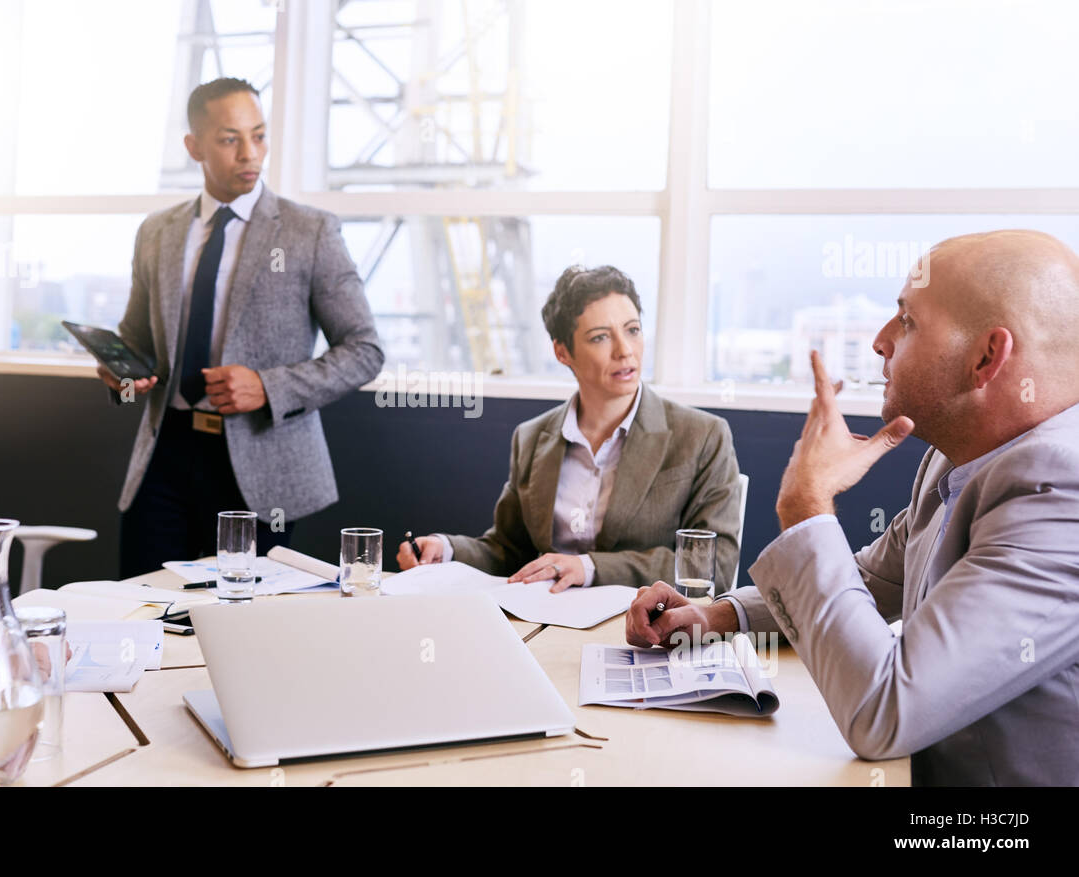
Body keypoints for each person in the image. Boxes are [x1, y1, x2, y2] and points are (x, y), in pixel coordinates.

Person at [626, 230, 1079, 786]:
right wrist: (716, 616)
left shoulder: (1059, 489)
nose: (881, 341)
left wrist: (806, 505)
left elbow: (885, 714)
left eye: (907, 321)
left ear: (986, 357)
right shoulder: (956, 459)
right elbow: (872, 578)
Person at [103, 77, 384, 577]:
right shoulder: (157, 232)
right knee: (141, 604)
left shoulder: (309, 230)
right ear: (194, 147)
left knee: (239, 614)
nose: (250, 153)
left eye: (259, 135)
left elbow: (365, 350)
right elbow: (137, 341)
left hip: (260, 463)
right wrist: (121, 374)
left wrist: (267, 387)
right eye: (230, 139)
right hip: (165, 454)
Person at [397, 265, 742, 592]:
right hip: (546, 618)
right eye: (600, 337)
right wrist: (446, 550)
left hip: (645, 623)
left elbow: (715, 565)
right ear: (563, 352)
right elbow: (509, 552)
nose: (625, 351)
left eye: (632, 330)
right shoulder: (531, 438)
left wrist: (588, 567)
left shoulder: (702, 436)